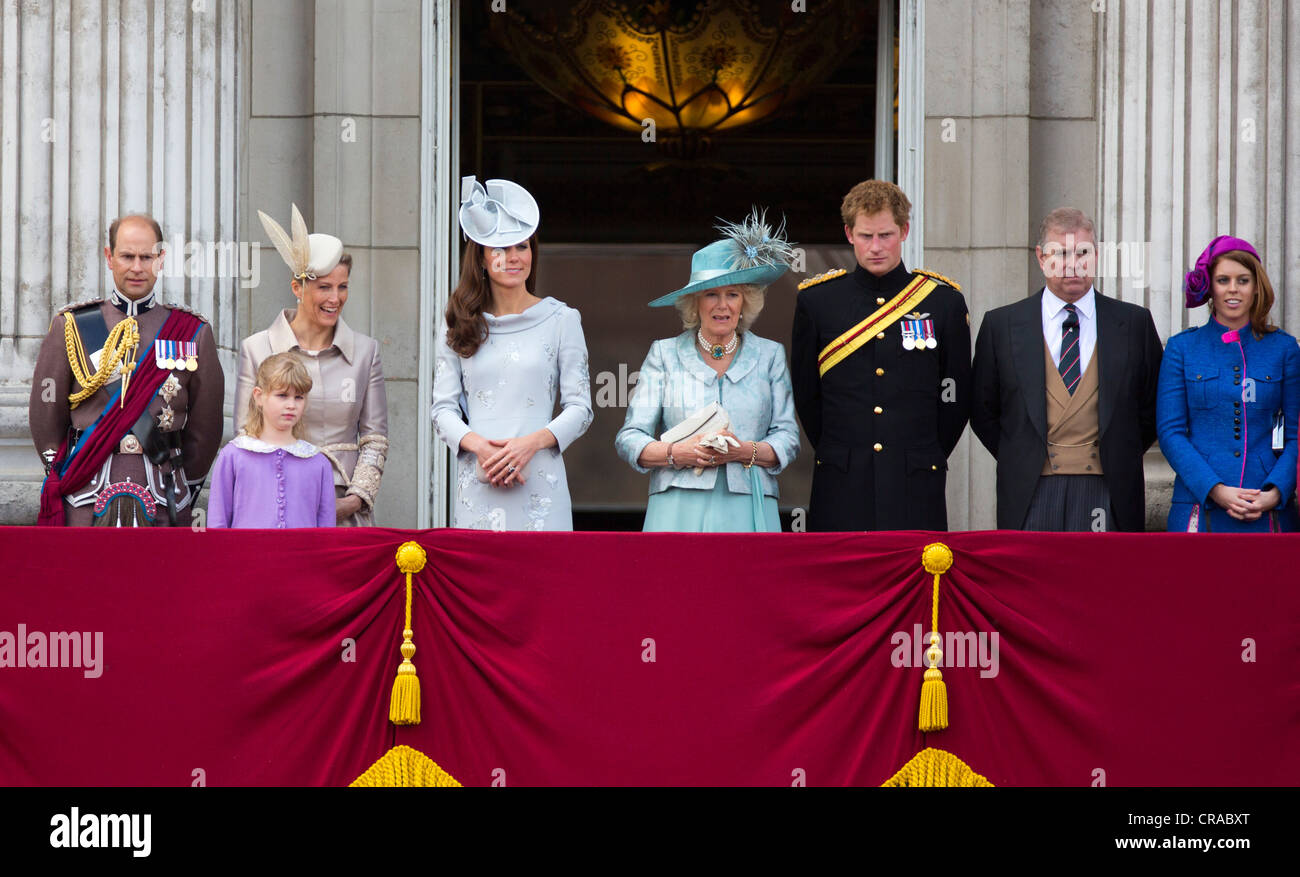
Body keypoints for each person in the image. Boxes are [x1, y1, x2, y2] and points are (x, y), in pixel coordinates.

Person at [791, 179, 971, 531]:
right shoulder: (817, 302)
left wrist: (923, 454)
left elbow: (956, 396)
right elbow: (807, 395)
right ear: (848, 234)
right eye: (866, 236)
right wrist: (841, 452)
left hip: (915, 478)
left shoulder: (942, 302)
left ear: (904, 231)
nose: (876, 247)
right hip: (841, 480)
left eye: (885, 235)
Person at [971, 207, 1163, 531]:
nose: (1072, 265)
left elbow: (1152, 408)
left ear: (1097, 255)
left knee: (1102, 580)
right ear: (1040, 257)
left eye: (1082, 253)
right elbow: (983, 411)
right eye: (1059, 253)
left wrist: (1117, 450)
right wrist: (1023, 454)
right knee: (1031, 579)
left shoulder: (1134, 324)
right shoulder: (1001, 324)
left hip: (1109, 489)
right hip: (1030, 492)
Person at [29, 214, 223, 526]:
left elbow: (206, 426)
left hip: (164, 493)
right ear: (109, 257)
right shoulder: (73, 326)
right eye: (127, 256)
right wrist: (63, 472)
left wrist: (184, 481)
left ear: (161, 260)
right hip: (85, 492)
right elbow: (46, 415)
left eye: (147, 257)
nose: (137, 267)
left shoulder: (192, 331)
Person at [615, 210, 801, 532]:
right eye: (711, 294)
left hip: (747, 505)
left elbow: (788, 439)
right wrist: (678, 453)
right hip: (677, 507)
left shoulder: (770, 355)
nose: (722, 305)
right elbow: (630, 438)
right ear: (694, 303)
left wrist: (744, 451)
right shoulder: (665, 354)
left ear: (746, 302)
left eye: (732, 294)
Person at [432, 176, 592, 530]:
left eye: (521, 246)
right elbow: (442, 410)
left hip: (540, 482)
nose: (513, 257)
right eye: (500, 250)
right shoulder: (457, 323)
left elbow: (581, 408)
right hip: (478, 481)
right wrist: (481, 448)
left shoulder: (561, 319)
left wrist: (530, 445)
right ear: (483, 260)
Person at [236, 205, 389, 526]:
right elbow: (246, 437)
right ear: (297, 287)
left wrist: (353, 500)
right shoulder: (256, 349)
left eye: (342, 286)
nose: (335, 298)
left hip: (345, 512)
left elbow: (374, 438)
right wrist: (283, 499)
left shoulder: (366, 352)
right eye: (324, 287)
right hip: (275, 509)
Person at [1156, 236, 1300, 532]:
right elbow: (1170, 433)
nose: (1233, 289)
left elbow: (1295, 433)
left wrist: (1276, 493)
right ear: (1210, 286)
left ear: (1256, 286)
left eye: (1243, 280)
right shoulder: (1182, 348)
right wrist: (1215, 489)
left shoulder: (1284, 349)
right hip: (1199, 506)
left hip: (1268, 509)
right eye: (1223, 280)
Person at [208, 353, 335, 529]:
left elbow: (327, 530)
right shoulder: (234, 455)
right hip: (246, 556)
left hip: (303, 556)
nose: (291, 405)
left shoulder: (318, 463)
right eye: (282, 395)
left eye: (299, 397)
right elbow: (217, 522)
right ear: (259, 396)